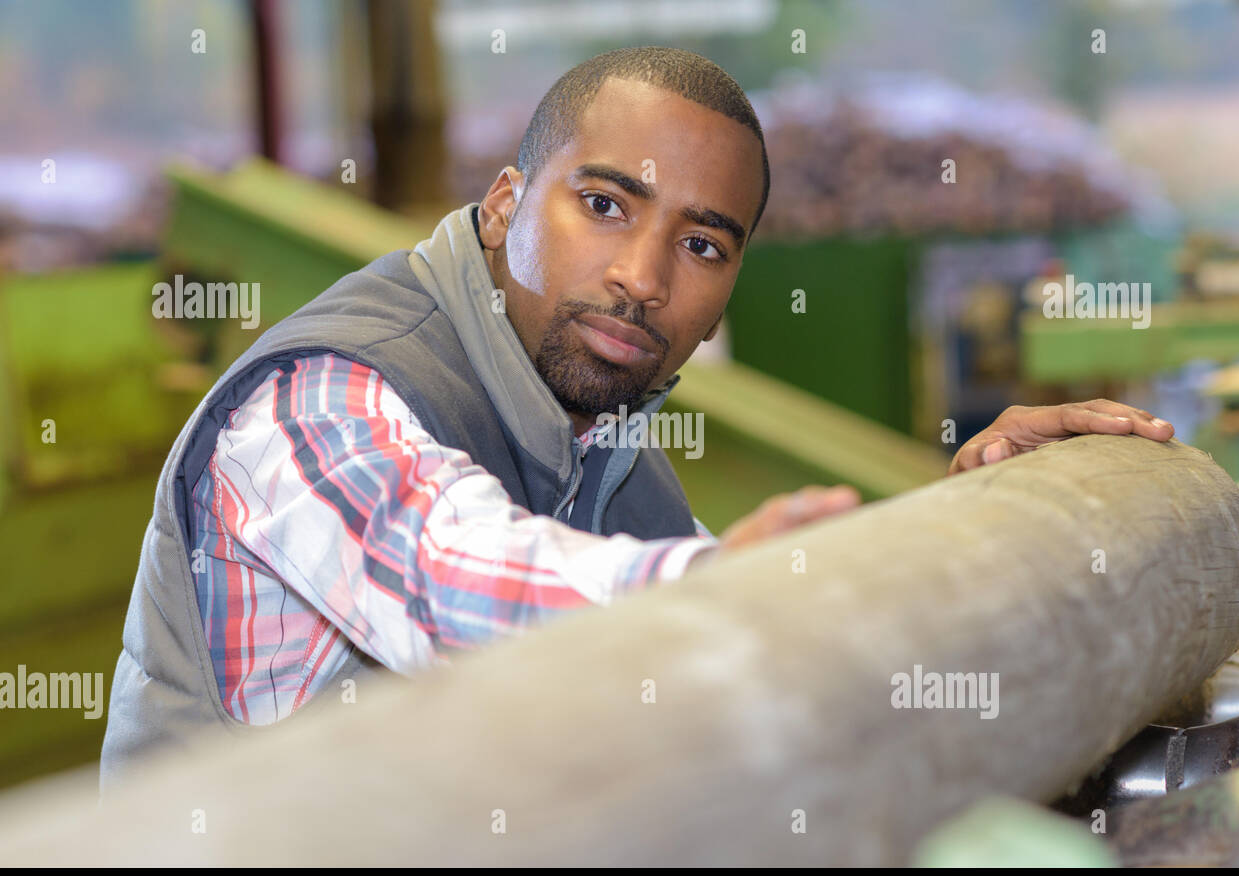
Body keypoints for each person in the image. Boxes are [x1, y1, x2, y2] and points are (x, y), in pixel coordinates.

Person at [99, 46, 1173, 791]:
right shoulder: (324, 395)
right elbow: (446, 583)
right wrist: (705, 598)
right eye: (603, 205)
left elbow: (768, 599)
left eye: (702, 245)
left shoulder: (594, 440)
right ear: (507, 203)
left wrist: (972, 522)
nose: (642, 277)